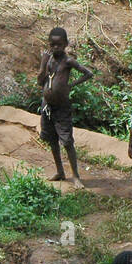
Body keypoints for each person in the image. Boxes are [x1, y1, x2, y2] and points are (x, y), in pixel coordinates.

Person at [38, 27, 94, 187]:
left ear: (66, 44)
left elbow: (88, 73)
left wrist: (71, 85)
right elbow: (39, 81)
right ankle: (60, 171)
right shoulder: (48, 60)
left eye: (59, 45)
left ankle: (76, 176)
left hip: (62, 107)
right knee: (52, 139)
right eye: (52, 45)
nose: (55, 48)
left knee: (67, 141)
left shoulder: (68, 61)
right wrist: (42, 65)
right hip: (47, 106)